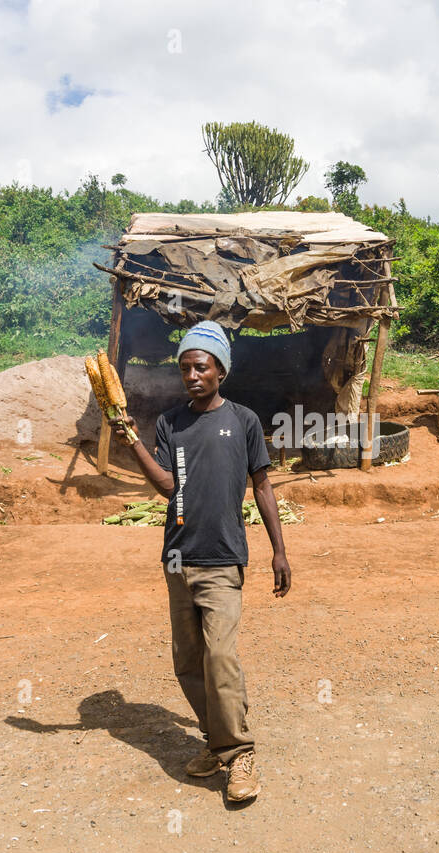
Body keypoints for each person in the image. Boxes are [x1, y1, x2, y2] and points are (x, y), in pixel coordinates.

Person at [112, 320, 291, 804]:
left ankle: (239, 754)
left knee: (220, 657)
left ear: (221, 371)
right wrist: (131, 439)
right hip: (177, 559)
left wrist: (279, 549)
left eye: (201, 367)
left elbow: (263, 486)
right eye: (185, 367)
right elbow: (170, 487)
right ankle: (216, 741)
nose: (192, 375)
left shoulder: (245, 421)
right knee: (189, 663)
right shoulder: (170, 423)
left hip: (224, 557)